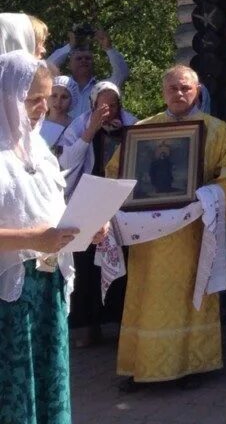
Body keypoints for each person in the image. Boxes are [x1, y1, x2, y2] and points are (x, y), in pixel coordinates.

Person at [104, 65, 226, 390]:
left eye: (186, 88)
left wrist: (204, 198)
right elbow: (116, 172)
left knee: (189, 294)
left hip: (193, 231)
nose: (179, 94)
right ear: (163, 91)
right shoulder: (143, 130)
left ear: (198, 90)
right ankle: (142, 367)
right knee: (147, 296)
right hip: (149, 236)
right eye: (173, 88)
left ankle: (192, 366)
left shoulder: (217, 130)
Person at [0, 50, 104, 423]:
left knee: (50, 383)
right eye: (32, 99)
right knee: (15, 390)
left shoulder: (39, 149)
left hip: (49, 286)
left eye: (46, 97)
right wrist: (32, 238)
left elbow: (51, 210)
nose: (42, 107)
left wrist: (87, 226)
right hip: (10, 295)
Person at [57, 81, 137, 347]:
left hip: (121, 200)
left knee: (122, 263)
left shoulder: (131, 124)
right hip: (88, 199)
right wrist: (90, 132)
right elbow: (65, 165)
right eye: (102, 105)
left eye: (113, 105)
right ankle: (90, 326)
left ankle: (119, 323)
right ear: (92, 104)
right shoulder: (79, 126)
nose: (109, 111)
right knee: (88, 267)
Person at [47, 27, 130, 119]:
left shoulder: (102, 88)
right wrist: (70, 46)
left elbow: (122, 73)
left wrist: (108, 48)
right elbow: (45, 68)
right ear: (69, 65)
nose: (83, 61)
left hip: (94, 132)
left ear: (93, 63)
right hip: (63, 132)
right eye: (78, 59)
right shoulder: (60, 87)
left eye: (88, 58)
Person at [41, 75, 77, 151]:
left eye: (64, 97)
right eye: (54, 95)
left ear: (72, 100)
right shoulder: (38, 122)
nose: (58, 101)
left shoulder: (75, 126)